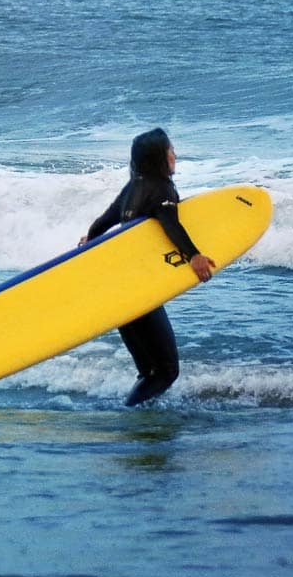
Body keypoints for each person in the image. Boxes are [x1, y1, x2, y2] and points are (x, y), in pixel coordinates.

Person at [79, 128, 217, 407]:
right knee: (166, 371)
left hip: (118, 288)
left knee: (149, 371)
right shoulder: (162, 188)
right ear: (159, 157)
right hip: (138, 290)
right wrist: (194, 256)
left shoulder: (132, 187)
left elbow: (102, 222)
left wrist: (90, 239)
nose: (175, 155)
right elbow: (170, 224)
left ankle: (135, 414)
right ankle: (134, 416)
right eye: (170, 150)